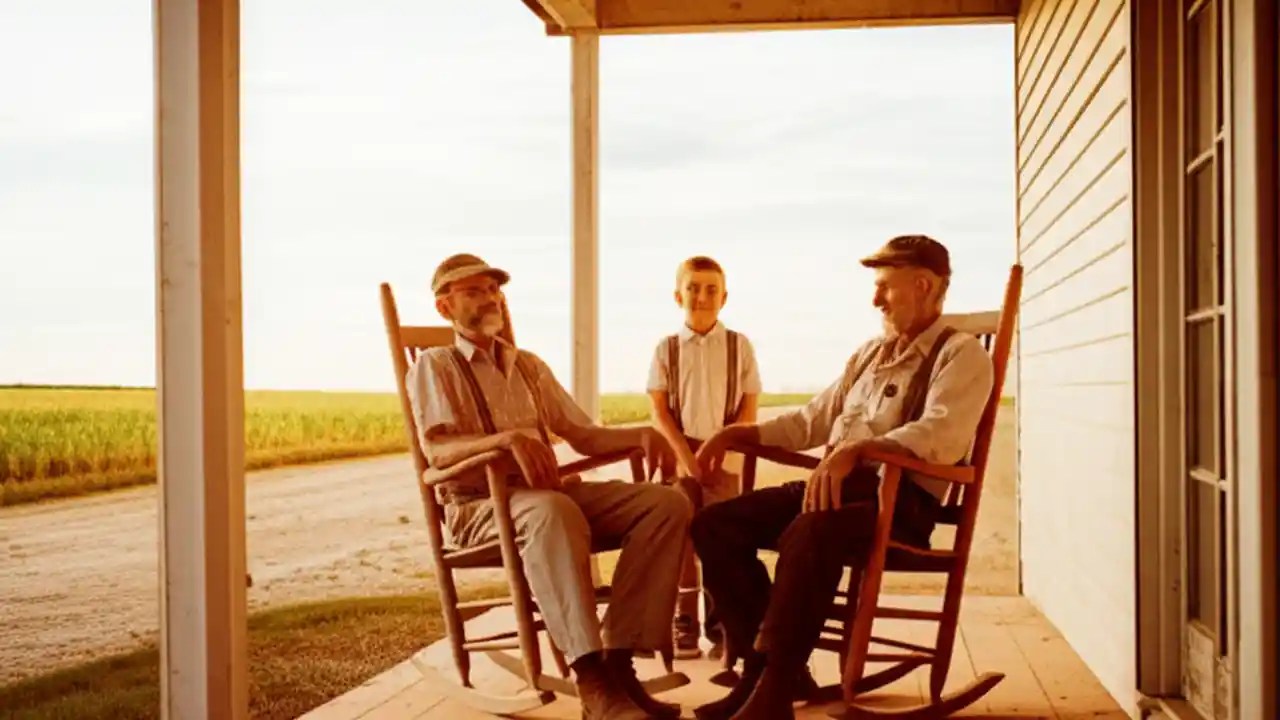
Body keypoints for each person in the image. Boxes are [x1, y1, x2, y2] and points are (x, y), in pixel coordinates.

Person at [688, 235, 995, 720]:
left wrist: (860, 449)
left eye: (884, 288)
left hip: (899, 504)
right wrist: (735, 433)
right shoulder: (870, 355)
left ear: (921, 285)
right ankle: (759, 672)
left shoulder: (961, 358)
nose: (875, 300)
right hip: (833, 490)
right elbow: (812, 419)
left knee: (812, 528)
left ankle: (777, 683)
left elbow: (942, 432)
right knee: (714, 525)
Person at [405, 253, 691, 720]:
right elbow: (436, 454)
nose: (489, 298)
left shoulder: (529, 367)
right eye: (473, 291)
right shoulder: (436, 366)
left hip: (547, 497)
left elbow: (585, 435)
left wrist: (642, 433)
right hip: (479, 506)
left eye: (493, 289)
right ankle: (591, 678)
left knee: (665, 505)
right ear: (445, 308)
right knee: (552, 513)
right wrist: (505, 439)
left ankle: (619, 662)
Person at [646, 255, 762, 660]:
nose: (702, 296)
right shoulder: (667, 349)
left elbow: (749, 406)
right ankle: (684, 624)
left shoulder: (739, 346)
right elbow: (659, 411)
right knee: (682, 541)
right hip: (681, 454)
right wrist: (685, 458)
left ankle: (721, 623)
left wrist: (724, 448)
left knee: (722, 538)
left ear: (724, 297)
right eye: (693, 288)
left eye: (711, 289)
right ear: (678, 295)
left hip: (724, 455)